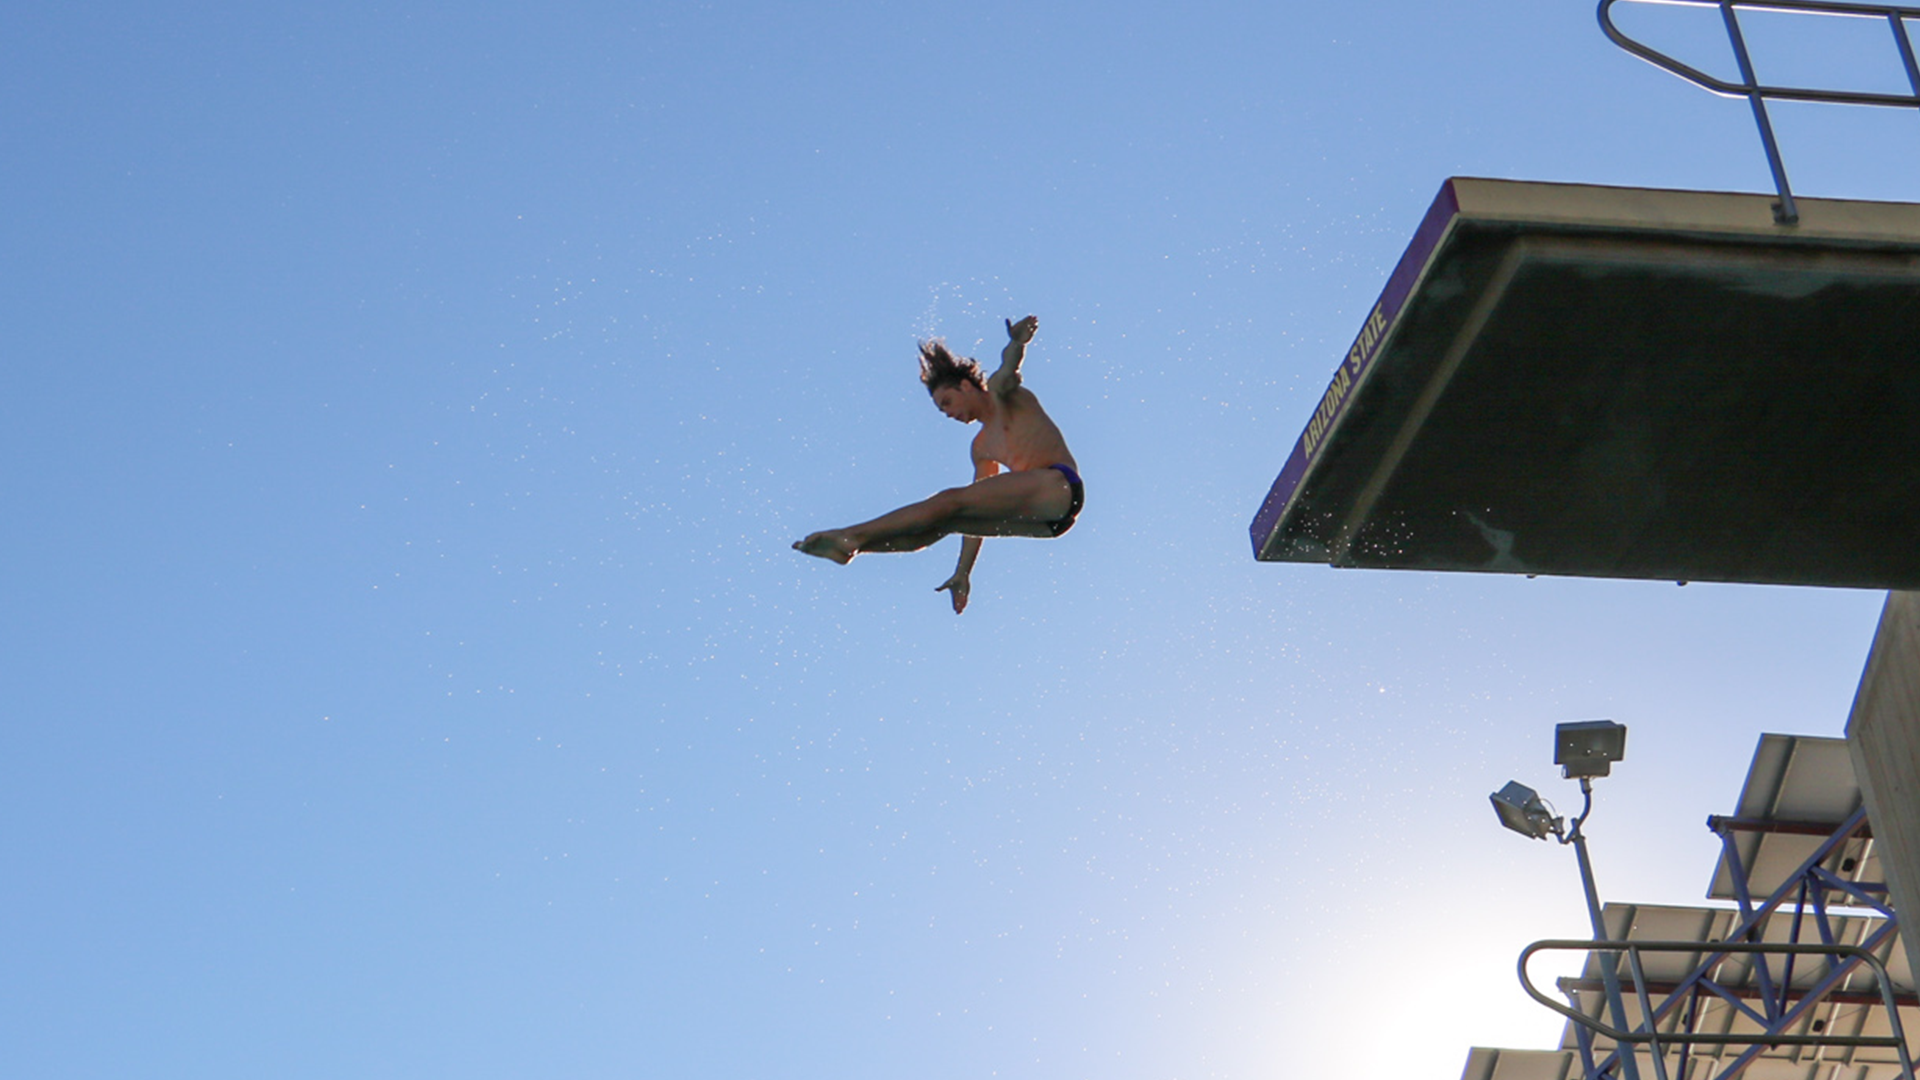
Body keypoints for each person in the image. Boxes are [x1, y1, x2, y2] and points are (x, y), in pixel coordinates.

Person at [794, 315, 1082, 614]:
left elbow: (1009, 367)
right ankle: (854, 547)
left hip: (1058, 486)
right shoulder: (981, 448)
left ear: (966, 386)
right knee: (946, 521)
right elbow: (980, 505)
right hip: (1048, 523)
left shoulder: (1002, 394)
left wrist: (1017, 341)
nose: (946, 413)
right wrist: (964, 572)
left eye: (946, 402)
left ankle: (851, 535)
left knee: (948, 502)